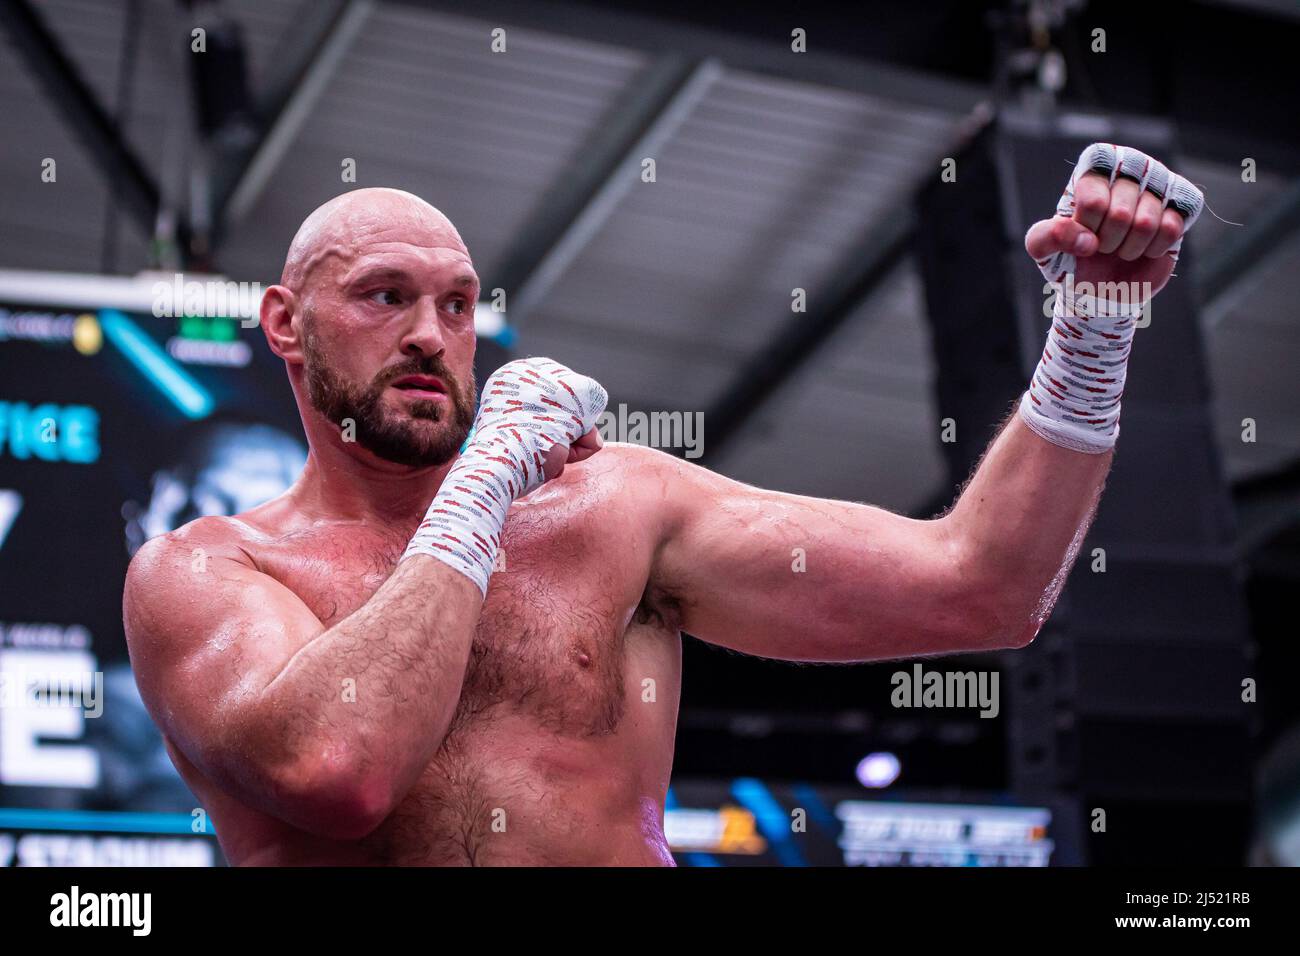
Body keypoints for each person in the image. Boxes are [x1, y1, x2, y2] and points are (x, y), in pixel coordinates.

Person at [122, 144, 1204, 865]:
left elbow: (984, 589)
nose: (429, 336)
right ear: (282, 321)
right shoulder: (209, 571)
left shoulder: (617, 509)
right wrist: (483, 488)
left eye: (457, 304)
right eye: (384, 296)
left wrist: (1093, 336)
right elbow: (338, 773)